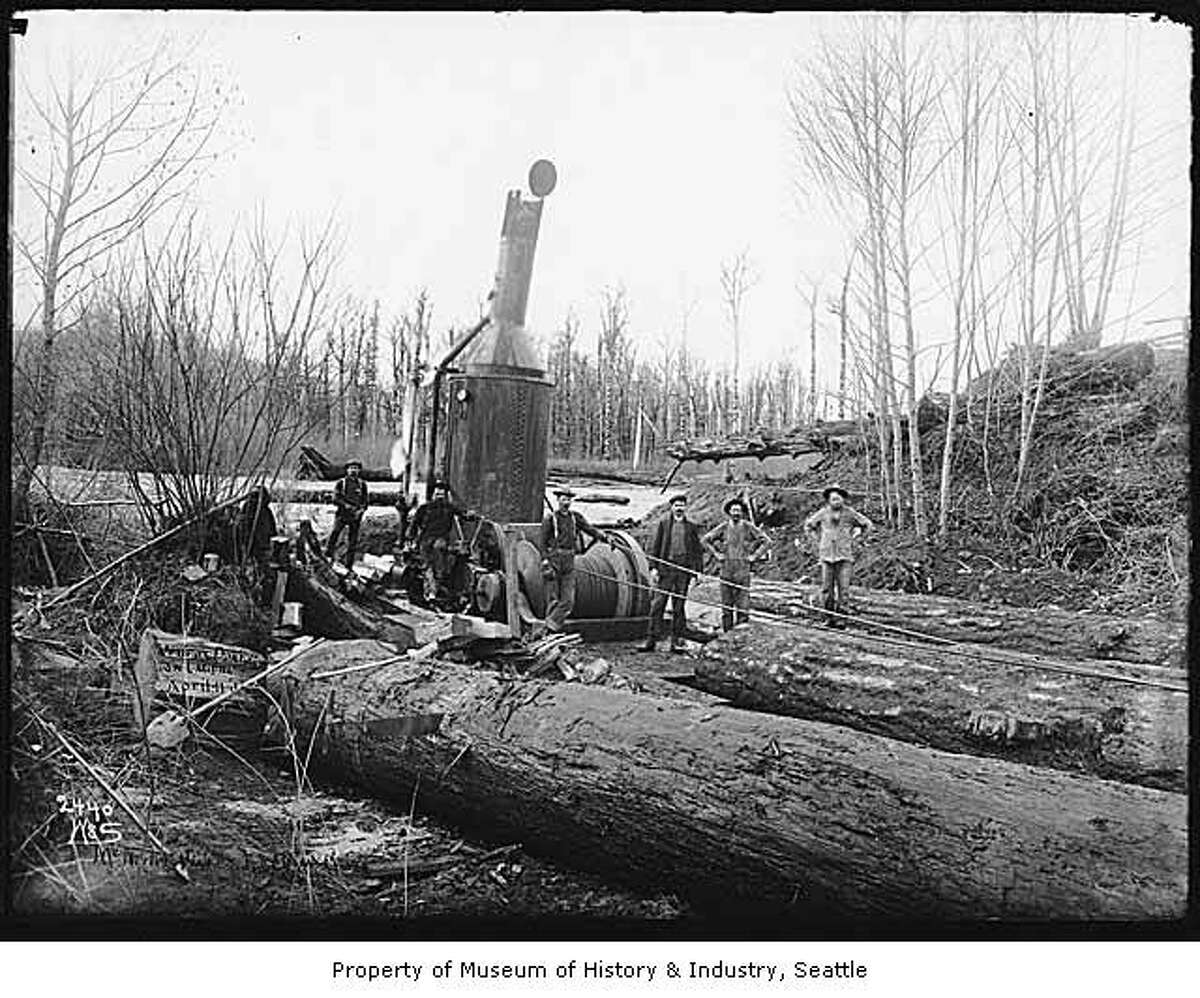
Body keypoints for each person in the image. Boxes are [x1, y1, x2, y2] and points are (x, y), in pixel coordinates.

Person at [638, 494, 703, 653]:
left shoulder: (691, 526)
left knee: (678, 607)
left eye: (682, 505)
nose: (679, 508)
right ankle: (651, 640)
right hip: (665, 570)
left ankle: (676, 642)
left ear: (685, 507)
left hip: (683, 571)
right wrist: (653, 568)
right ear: (671, 507)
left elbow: (697, 551)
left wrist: (698, 572)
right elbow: (655, 546)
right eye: (676, 505)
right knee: (658, 605)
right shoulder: (663, 524)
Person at [540, 487, 610, 633]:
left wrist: (605, 537)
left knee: (568, 601)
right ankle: (549, 632)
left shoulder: (575, 518)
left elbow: (590, 529)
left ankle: (549, 627)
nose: (566, 502)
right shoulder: (550, 519)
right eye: (563, 499)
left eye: (568, 499)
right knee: (553, 599)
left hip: (569, 560)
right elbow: (542, 543)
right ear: (558, 500)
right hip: (554, 560)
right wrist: (545, 561)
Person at [803, 484, 873, 627]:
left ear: (843, 499)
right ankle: (828, 617)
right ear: (828, 501)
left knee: (844, 589)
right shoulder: (823, 513)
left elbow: (867, 524)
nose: (836, 501)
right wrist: (816, 541)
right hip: (826, 556)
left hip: (845, 556)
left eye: (839, 498)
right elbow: (809, 525)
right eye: (833, 499)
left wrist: (858, 540)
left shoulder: (850, 513)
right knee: (826, 589)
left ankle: (841, 619)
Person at [702, 496, 771, 632]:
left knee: (743, 604)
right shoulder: (723, 527)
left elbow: (767, 541)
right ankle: (727, 633)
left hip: (743, 570)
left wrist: (754, 556)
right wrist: (716, 554)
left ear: (742, 512)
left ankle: (741, 633)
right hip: (726, 569)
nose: (736, 513)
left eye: (738, 510)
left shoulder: (748, 527)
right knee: (726, 605)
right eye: (733, 510)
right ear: (729, 512)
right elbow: (705, 540)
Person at [408, 480, 471, 607]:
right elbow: (414, 524)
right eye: (437, 494)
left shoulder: (449, 507)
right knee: (427, 566)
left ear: (445, 496)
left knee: (439, 565)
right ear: (432, 495)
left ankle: (436, 591)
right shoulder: (424, 508)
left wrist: (470, 515)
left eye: (442, 495)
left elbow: (463, 514)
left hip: (440, 539)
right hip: (425, 541)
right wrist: (410, 539)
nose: (439, 497)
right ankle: (431, 593)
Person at [325, 459, 368, 568]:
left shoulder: (362, 484)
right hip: (342, 514)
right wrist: (345, 505)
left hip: (355, 516)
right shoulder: (341, 483)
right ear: (347, 470)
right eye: (351, 468)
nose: (353, 470)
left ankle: (349, 565)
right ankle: (327, 556)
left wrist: (360, 511)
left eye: (356, 468)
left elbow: (365, 502)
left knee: (352, 541)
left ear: (359, 470)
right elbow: (335, 498)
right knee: (334, 534)